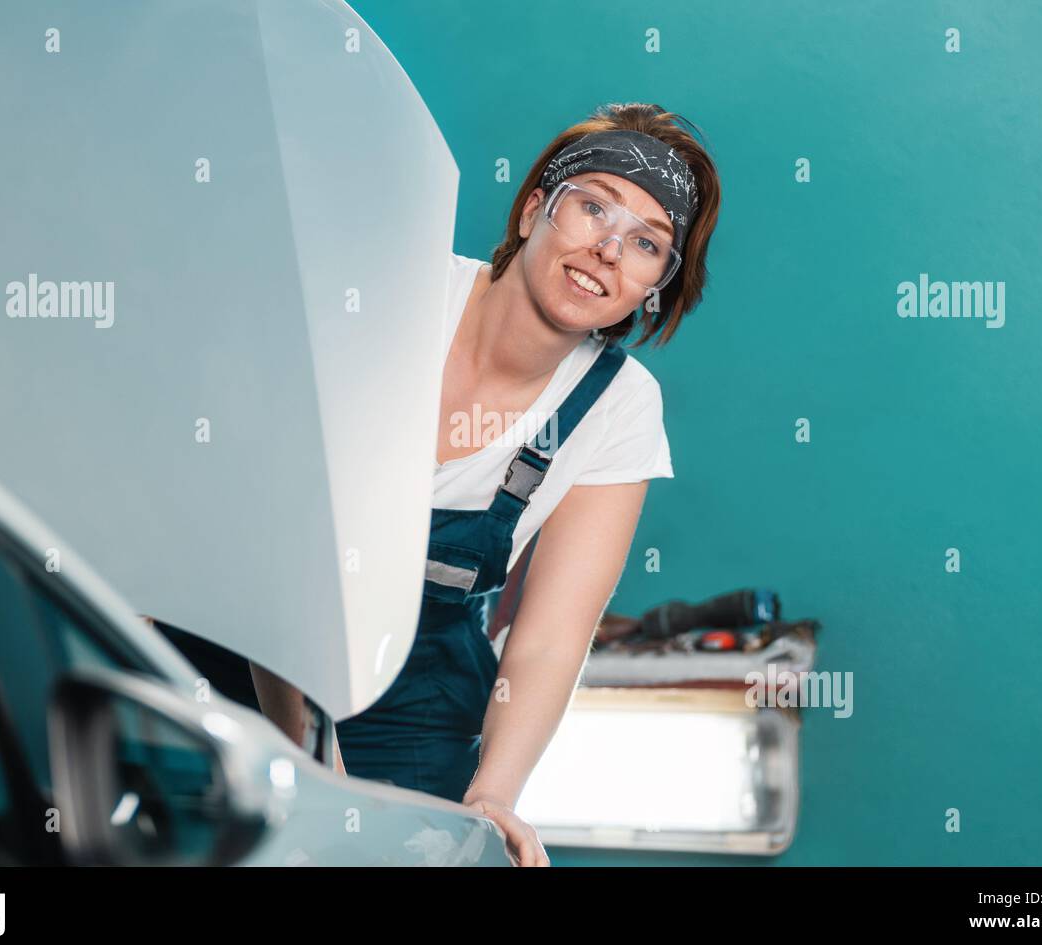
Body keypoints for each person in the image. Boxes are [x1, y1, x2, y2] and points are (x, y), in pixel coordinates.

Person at [255, 102, 720, 866]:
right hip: (242, 659)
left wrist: (492, 796)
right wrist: (317, 784)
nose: (608, 249)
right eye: (593, 205)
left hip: (415, 711)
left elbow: (546, 640)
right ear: (536, 206)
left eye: (646, 244)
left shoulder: (619, 406)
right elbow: (276, 553)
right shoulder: (386, 300)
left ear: (654, 288)